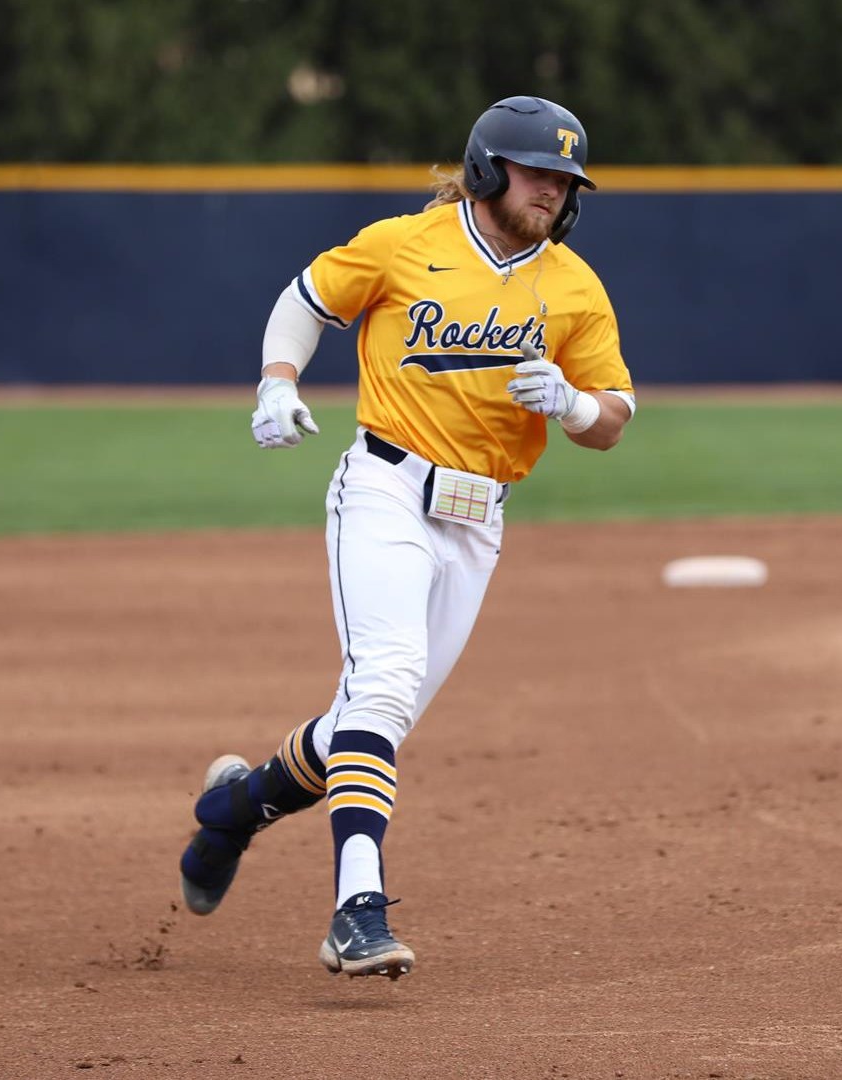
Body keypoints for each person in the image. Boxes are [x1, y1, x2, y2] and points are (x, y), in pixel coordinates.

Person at [176, 96, 635, 980]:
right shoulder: (402, 243)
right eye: (538, 172)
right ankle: (356, 910)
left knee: (367, 725)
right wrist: (277, 381)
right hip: (385, 488)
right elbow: (304, 300)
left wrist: (576, 406)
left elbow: (613, 418)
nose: (552, 191)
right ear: (489, 168)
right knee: (381, 689)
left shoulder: (574, 286)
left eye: (565, 180)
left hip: (478, 520)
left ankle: (233, 810)